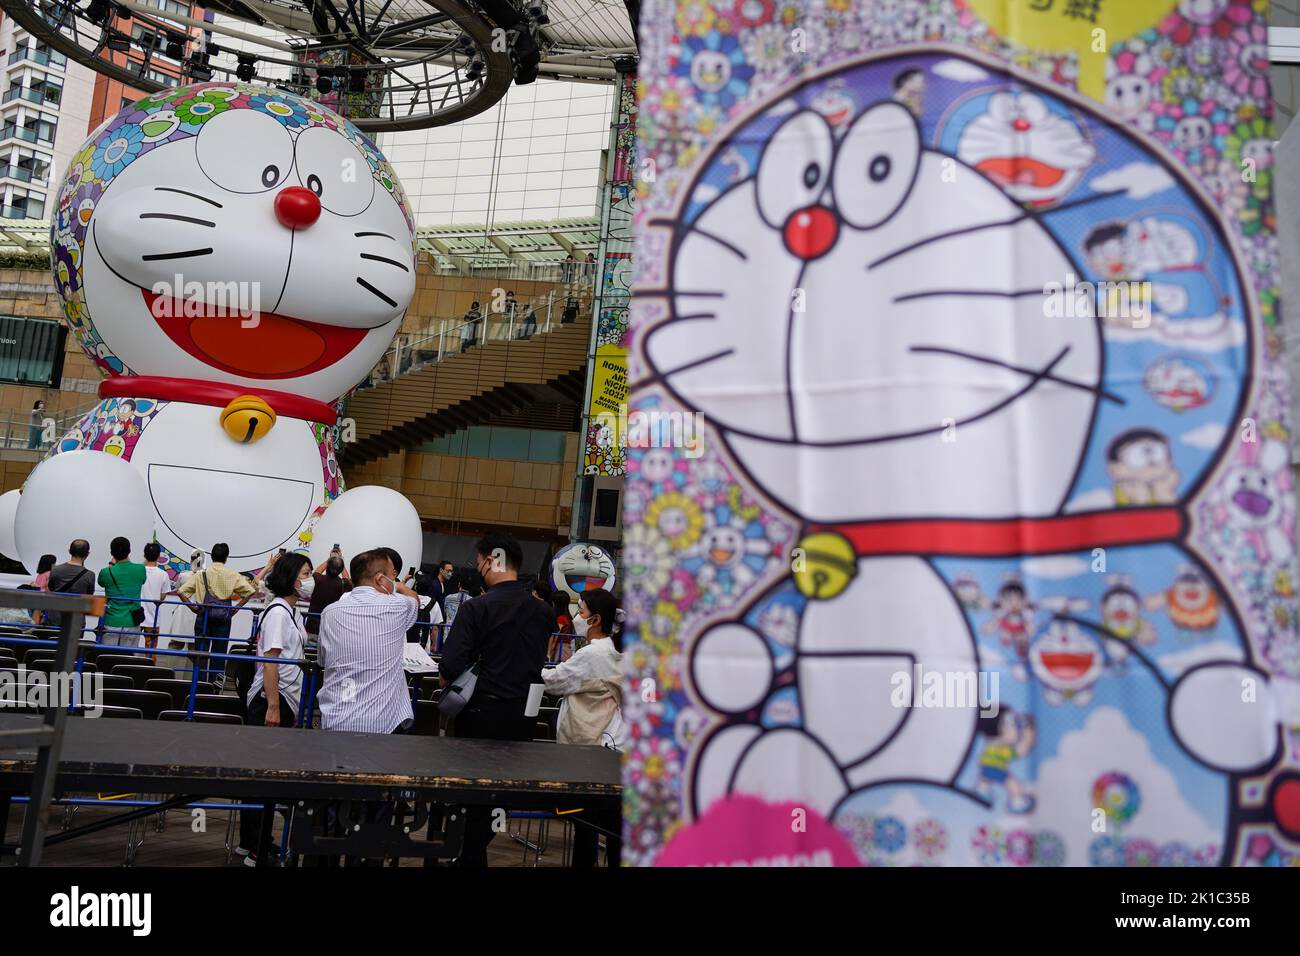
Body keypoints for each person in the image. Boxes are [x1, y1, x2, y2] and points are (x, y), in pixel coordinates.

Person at [439, 532, 553, 867]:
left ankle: (468, 856)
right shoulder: (542, 612)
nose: (479, 568)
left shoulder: (477, 608)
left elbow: (450, 665)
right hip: (523, 718)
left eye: (479, 562)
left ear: (492, 560)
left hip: (479, 715)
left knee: (471, 794)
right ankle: (475, 851)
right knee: (501, 795)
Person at [540, 587, 625, 866]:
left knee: (586, 821)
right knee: (613, 821)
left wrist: (532, 667)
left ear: (595, 619)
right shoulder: (614, 651)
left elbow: (555, 682)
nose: (578, 616)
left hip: (588, 745)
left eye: (582, 610)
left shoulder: (593, 654)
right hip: (610, 743)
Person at [238, 551, 312, 865]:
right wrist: (272, 706)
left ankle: (251, 841)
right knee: (263, 778)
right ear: (290, 577)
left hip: (285, 698)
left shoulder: (292, 612)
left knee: (264, 776)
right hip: (273, 699)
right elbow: (271, 661)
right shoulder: (280, 613)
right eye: (306, 573)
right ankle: (258, 848)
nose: (310, 580)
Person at [316, 548, 420, 734]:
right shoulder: (398, 606)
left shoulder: (329, 612)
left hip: (336, 717)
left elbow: (323, 661)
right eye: (392, 576)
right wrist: (402, 587)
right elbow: (414, 600)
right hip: (385, 723)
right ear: (381, 579)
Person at [178, 542, 255, 684]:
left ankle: (200, 687)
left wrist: (193, 608)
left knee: (201, 655)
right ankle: (215, 689)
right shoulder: (232, 575)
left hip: (204, 616)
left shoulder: (202, 575)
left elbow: (181, 591)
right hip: (224, 618)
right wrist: (236, 608)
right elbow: (250, 591)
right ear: (226, 558)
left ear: (211, 556)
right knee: (219, 656)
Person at [98, 536, 146, 647]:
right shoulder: (140, 569)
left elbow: (101, 583)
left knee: (108, 657)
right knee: (127, 659)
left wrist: (111, 565)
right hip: (132, 622)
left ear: (112, 553)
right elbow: (143, 580)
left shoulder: (105, 572)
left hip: (111, 620)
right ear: (129, 551)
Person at [45, 540, 95, 630]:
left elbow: (51, 588)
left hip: (55, 617)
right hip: (76, 619)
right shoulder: (90, 575)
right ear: (87, 554)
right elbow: (89, 596)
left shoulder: (56, 570)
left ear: (69, 551)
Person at [305, 551, 349, 638]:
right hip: (331, 627)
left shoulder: (317, 579)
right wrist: (340, 559)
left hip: (313, 626)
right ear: (340, 569)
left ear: (327, 567)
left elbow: (317, 571)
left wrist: (331, 558)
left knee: (310, 650)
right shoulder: (343, 584)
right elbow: (347, 579)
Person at [139, 542, 169, 662]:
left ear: (144, 555)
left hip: (136, 614)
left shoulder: (138, 571)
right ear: (158, 557)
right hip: (153, 617)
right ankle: (149, 672)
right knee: (151, 651)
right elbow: (162, 597)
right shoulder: (163, 574)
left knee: (129, 646)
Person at [547, 591, 574, 662]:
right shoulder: (568, 617)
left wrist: (549, 653)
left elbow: (555, 638)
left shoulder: (561, 618)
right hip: (567, 648)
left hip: (561, 649)